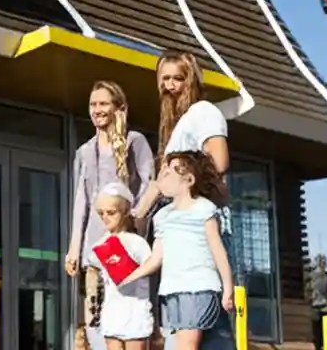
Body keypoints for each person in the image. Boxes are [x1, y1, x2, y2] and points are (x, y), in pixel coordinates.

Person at [131, 51, 235, 349]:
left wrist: (186, 194)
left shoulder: (203, 112)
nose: (171, 85)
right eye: (164, 79)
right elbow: (161, 182)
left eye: (178, 78)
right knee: (209, 329)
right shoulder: (180, 125)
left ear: (192, 80)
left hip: (196, 230)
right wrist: (138, 215)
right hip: (179, 231)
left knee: (197, 322)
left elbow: (219, 160)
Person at [67, 81, 155, 346]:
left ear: (119, 108)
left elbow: (151, 182)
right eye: (93, 104)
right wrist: (74, 248)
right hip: (94, 248)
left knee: (129, 312)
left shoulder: (134, 141)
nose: (97, 110)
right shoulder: (84, 151)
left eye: (103, 103)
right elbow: (81, 200)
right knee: (94, 315)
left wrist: (137, 216)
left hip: (125, 245)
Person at [119, 151, 234, 350]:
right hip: (171, 291)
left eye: (171, 171)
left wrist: (228, 288)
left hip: (198, 287)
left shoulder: (203, 209)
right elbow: (156, 258)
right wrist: (129, 276)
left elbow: (217, 250)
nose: (164, 175)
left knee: (186, 345)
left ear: (188, 180)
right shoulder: (162, 217)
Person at [85, 182, 154, 350]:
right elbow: (92, 269)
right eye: (101, 213)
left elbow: (151, 266)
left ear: (124, 212)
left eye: (111, 213)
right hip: (112, 308)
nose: (105, 218)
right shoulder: (101, 244)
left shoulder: (137, 243)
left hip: (135, 307)